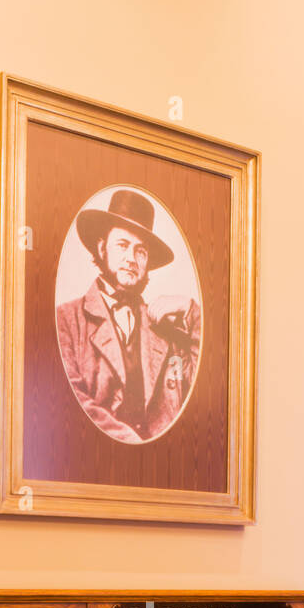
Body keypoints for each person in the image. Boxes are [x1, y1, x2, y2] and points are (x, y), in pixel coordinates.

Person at [56, 188, 201, 443]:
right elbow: (71, 401)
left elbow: (203, 384)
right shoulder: (66, 321)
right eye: (122, 245)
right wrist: (132, 443)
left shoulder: (167, 331)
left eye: (141, 251)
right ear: (102, 249)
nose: (131, 259)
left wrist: (190, 309)